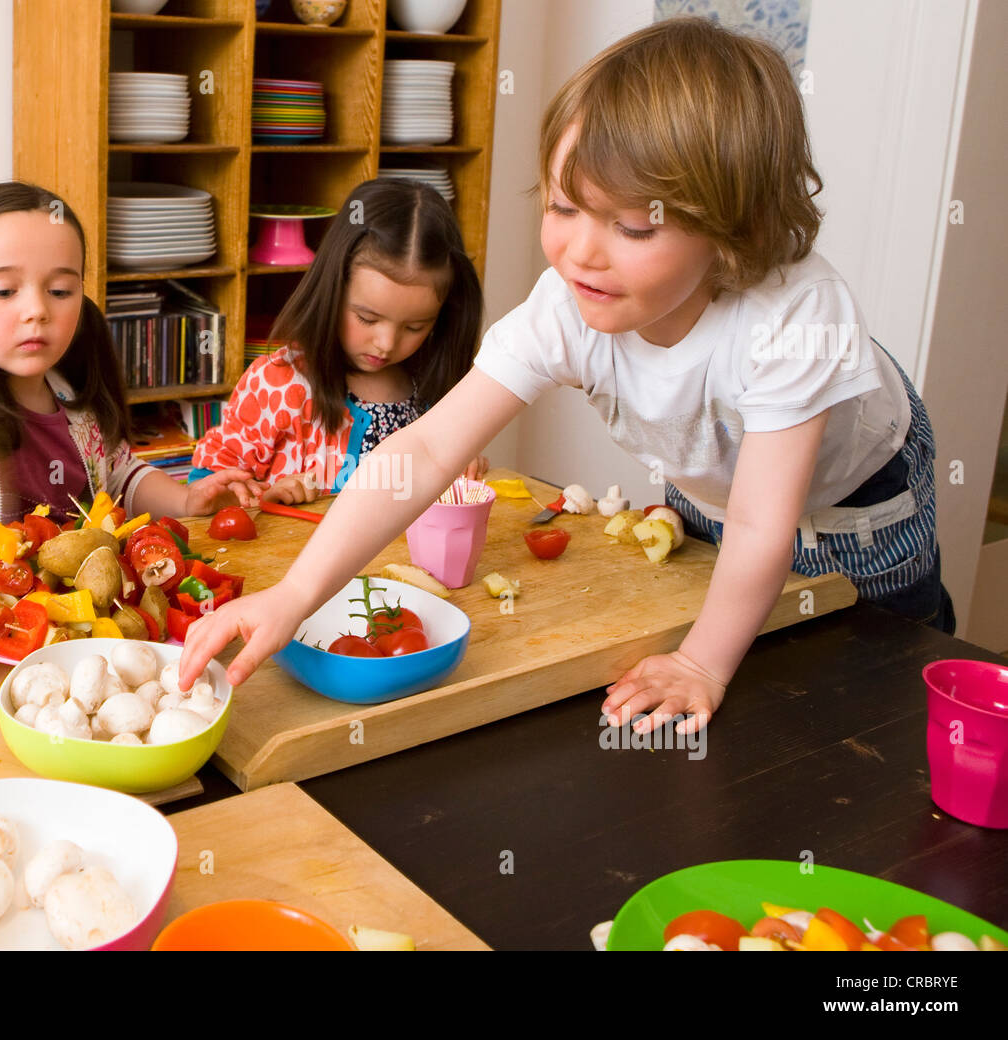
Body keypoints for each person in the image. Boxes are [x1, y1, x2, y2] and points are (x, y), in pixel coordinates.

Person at [177, 17, 956, 734]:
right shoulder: (571, 302)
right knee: (766, 674)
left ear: (733, 227)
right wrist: (292, 594)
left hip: (858, 504)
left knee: (878, 679)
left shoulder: (796, 316)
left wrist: (699, 663)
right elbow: (421, 453)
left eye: (632, 225)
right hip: (724, 482)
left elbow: (764, 524)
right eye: (562, 206)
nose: (582, 252)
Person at [0, 181, 261, 561]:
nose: (37, 310)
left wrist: (187, 500)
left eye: (60, 290)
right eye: (4, 291)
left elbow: (118, 474)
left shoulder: (72, 395)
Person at [189, 178, 488, 506]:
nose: (386, 343)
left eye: (415, 326)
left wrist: (463, 469)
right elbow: (207, 491)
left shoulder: (435, 393)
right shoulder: (278, 384)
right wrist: (263, 500)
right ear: (333, 290)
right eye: (367, 319)